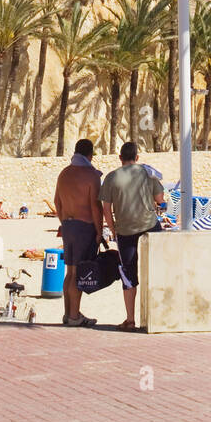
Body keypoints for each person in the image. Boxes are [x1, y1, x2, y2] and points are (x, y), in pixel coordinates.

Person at [100, 142, 164, 331]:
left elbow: (106, 208)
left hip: (125, 231)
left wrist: (112, 229)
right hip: (150, 227)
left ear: (120, 158)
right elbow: (160, 199)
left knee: (128, 274)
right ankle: (157, 317)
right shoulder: (147, 172)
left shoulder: (111, 178)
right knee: (155, 270)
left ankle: (130, 319)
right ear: (137, 158)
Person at [54, 137, 103, 328]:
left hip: (67, 225)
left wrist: (64, 221)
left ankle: (68, 313)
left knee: (70, 272)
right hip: (84, 227)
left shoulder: (64, 174)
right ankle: (75, 316)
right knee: (79, 274)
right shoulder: (91, 176)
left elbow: (57, 202)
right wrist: (99, 231)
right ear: (90, 155)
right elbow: (95, 206)